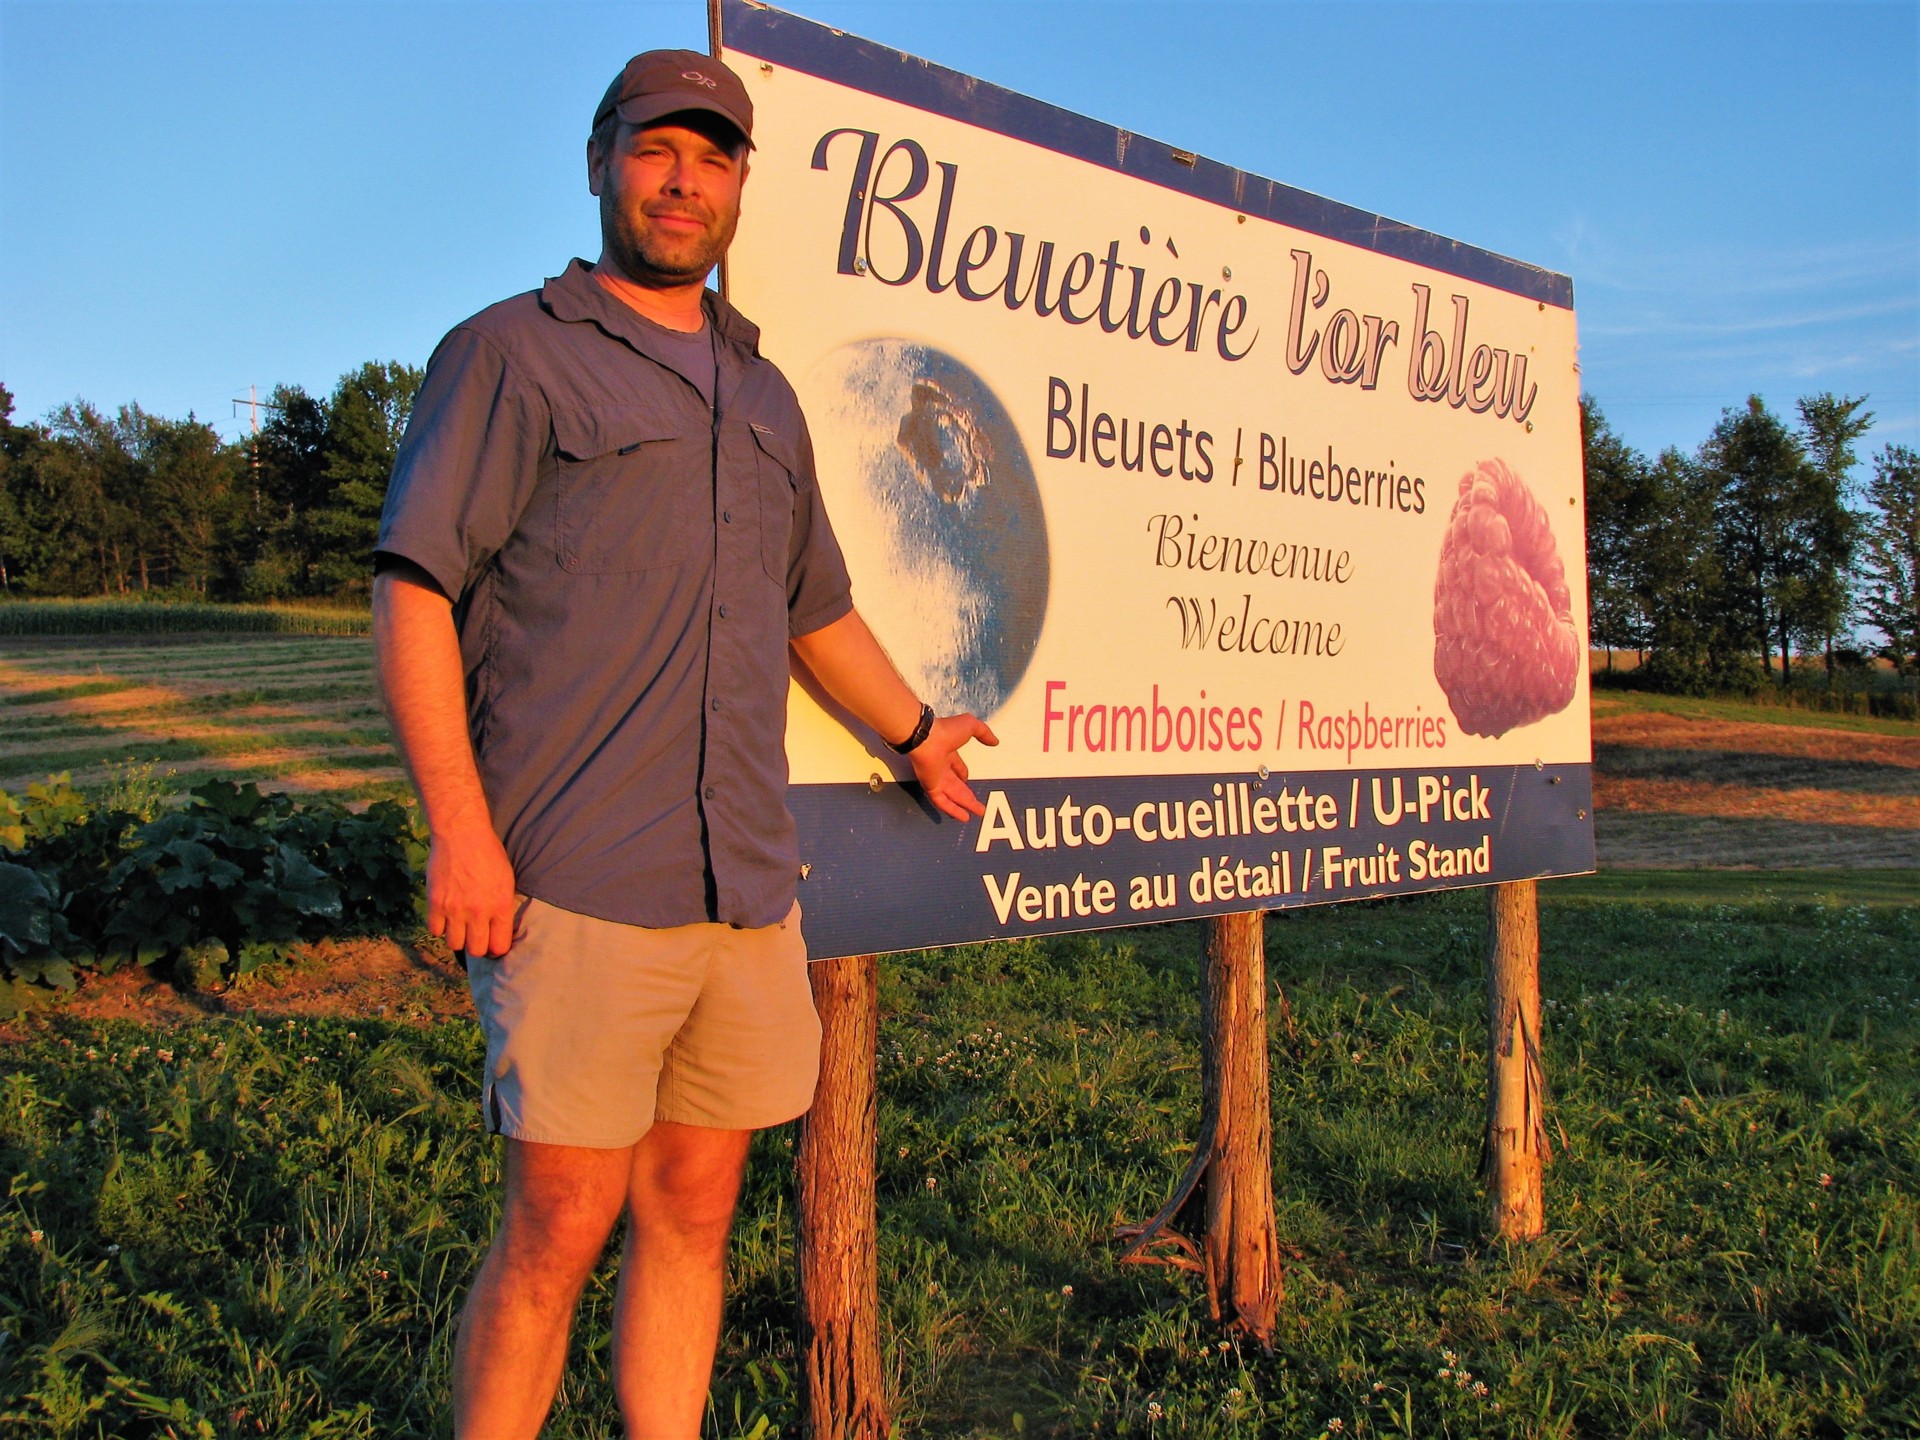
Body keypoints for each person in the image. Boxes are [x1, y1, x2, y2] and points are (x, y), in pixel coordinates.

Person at [371, 49, 995, 1439]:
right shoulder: (510, 354)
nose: (683, 182)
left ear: (738, 188)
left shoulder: (763, 398)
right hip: (576, 878)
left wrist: (914, 737)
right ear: (601, 161)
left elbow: (811, 606)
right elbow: (412, 589)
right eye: (658, 151)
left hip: (743, 892)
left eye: (713, 160)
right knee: (559, 1219)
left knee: (697, 1207)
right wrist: (459, 829)